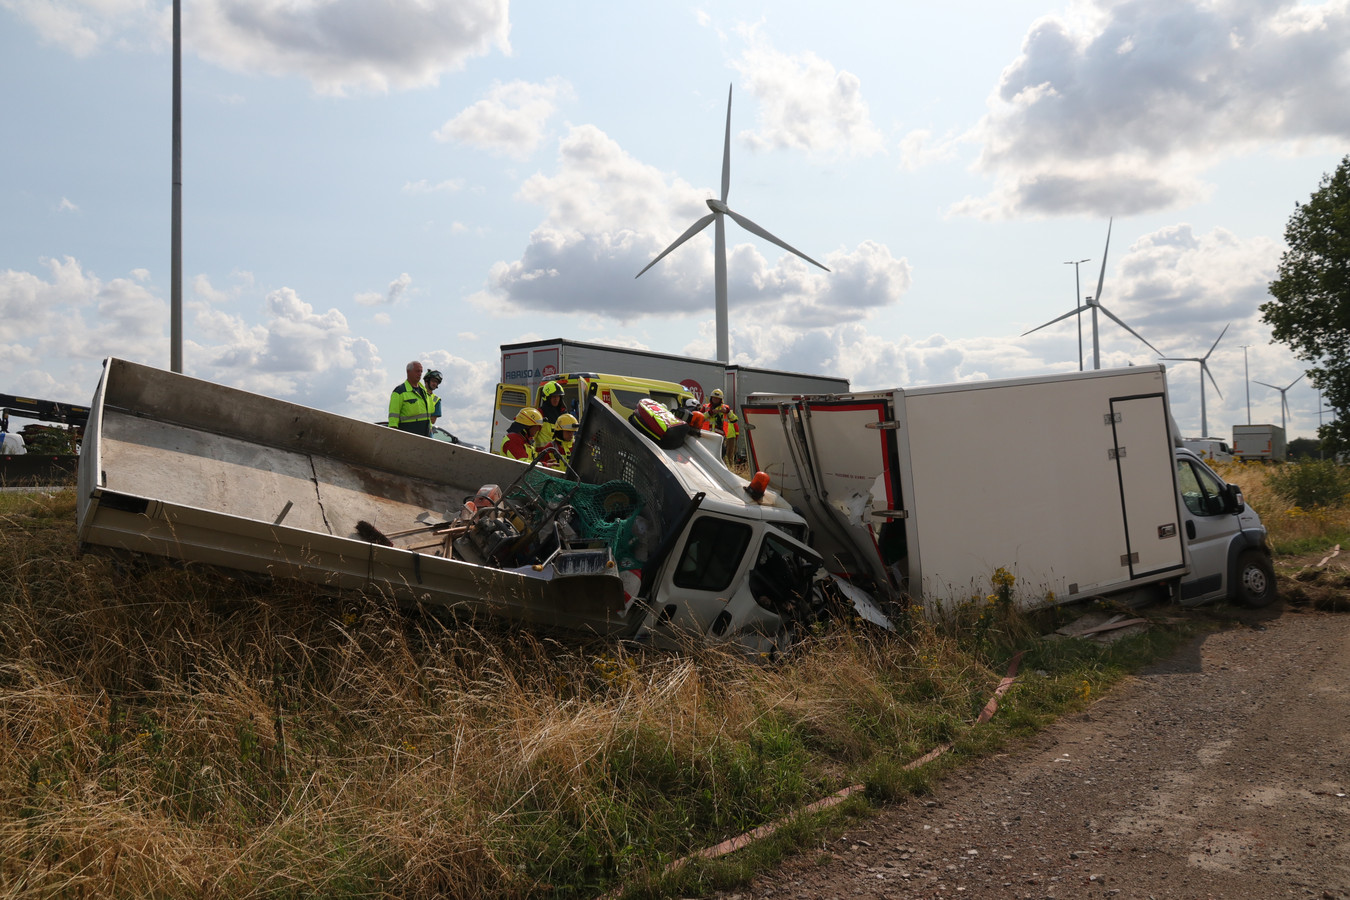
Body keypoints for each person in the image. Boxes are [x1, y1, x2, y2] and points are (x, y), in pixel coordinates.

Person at [388, 361, 433, 436]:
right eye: (417, 371)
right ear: (408, 372)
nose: (420, 374)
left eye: (421, 371)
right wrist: (394, 434)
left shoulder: (424, 391)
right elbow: (393, 417)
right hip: (408, 436)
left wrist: (430, 429)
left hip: (425, 435)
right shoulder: (399, 392)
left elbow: (428, 415)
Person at [701, 388, 740, 463]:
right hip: (707, 436)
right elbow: (700, 417)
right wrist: (710, 413)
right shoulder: (705, 407)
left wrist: (727, 412)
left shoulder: (725, 408)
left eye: (717, 398)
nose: (715, 400)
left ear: (721, 400)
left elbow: (734, 419)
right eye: (714, 398)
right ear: (711, 398)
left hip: (719, 437)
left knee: (719, 457)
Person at [537, 380, 566, 445]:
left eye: (558, 396)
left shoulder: (564, 414)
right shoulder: (540, 414)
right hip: (542, 451)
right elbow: (532, 437)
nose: (556, 399)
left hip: (559, 451)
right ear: (546, 398)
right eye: (553, 396)